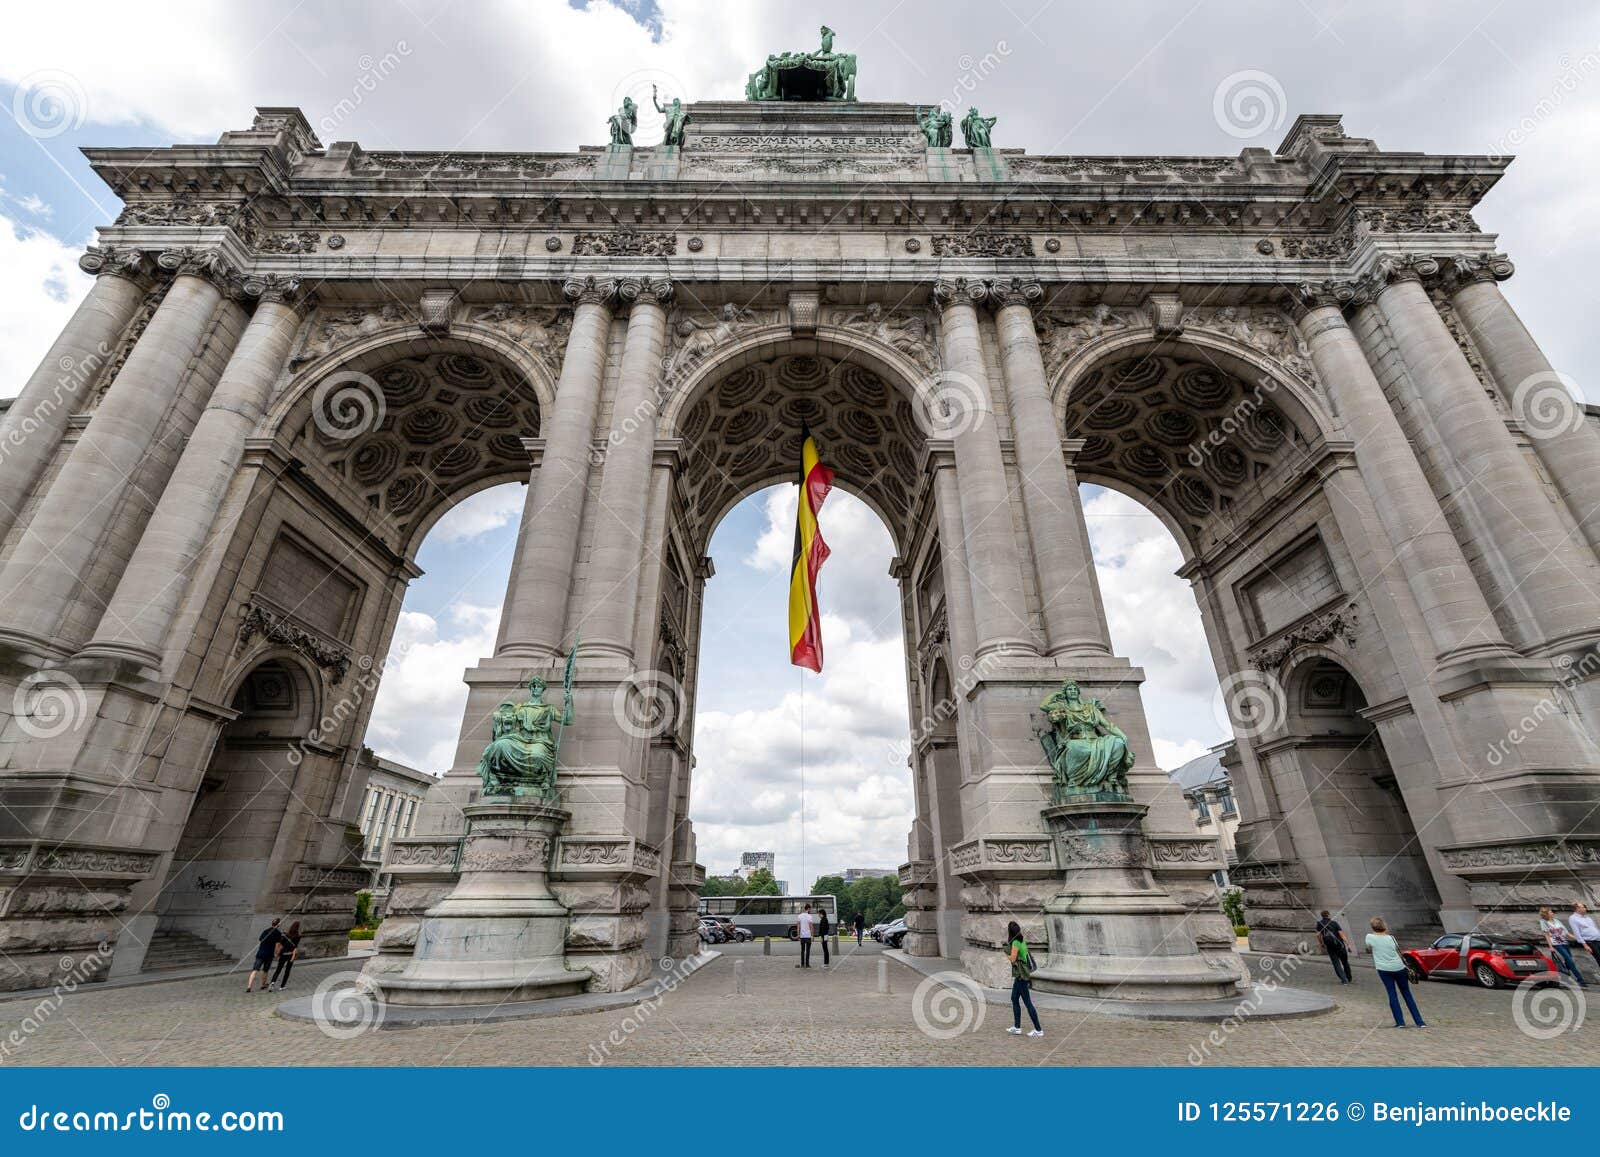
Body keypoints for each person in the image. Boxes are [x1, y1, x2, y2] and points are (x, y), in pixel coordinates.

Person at [1365, 917, 1425, 1028]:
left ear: (1373, 927)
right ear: (1384, 926)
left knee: (1392, 994)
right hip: (1399, 967)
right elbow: (1396, 950)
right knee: (1407, 994)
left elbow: (1368, 949)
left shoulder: (1369, 937)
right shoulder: (1391, 938)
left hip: (1384, 969)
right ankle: (1420, 1022)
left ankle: (1400, 1022)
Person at [1004, 921, 1043, 1037]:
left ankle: (1038, 1029)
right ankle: (1017, 1027)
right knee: (1014, 999)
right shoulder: (1022, 940)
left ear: (1010, 932)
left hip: (1021, 977)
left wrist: (1006, 951)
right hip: (1020, 976)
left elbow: (1012, 959)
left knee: (1028, 1003)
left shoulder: (1015, 942)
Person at [1540, 906, 1587, 986]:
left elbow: (1566, 933)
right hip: (1556, 944)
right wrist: (1551, 947)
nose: (1552, 913)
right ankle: (1580, 980)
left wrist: (1579, 938)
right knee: (1570, 961)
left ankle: (1564, 978)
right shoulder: (1543, 922)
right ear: (1546, 914)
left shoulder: (1557, 921)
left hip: (1565, 943)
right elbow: (1547, 935)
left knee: (1568, 961)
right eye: (1550, 912)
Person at [246, 917, 284, 993]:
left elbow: (260, 939)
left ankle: (249, 986)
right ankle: (263, 985)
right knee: (265, 970)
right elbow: (277, 945)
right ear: (278, 924)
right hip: (269, 954)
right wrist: (276, 954)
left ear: (272, 924)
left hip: (260, 953)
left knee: (255, 970)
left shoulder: (265, 931)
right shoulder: (278, 933)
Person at [1315, 910, 1353, 984]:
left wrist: (1322, 943)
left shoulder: (1319, 924)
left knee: (1336, 963)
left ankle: (1344, 980)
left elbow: (1318, 935)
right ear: (1328, 915)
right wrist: (1348, 945)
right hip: (1340, 945)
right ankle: (1349, 978)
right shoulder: (1334, 923)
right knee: (1345, 962)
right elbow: (1342, 934)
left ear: (1322, 916)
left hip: (1330, 946)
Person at [268, 920, 301, 992]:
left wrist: (277, 954)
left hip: (283, 954)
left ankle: (272, 983)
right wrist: (293, 957)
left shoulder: (286, 935)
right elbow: (295, 948)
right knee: (287, 971)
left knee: (278, 969)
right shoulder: (298, 936)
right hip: (290, 955)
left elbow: (280, 945)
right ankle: (282, 986)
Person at [1569, 902, 1600, 976]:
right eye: (1583, 907)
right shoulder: (1573, 918)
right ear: (1577, 909)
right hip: (1590, 942)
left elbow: (1595, 929)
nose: (1585, 908)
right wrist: (1585, 945)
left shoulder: (1587, 917)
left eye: (1584, 907)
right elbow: (1577, 933)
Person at [796, 904, 814, 968]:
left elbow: (798, 927)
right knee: (808, 950)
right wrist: (812, 935)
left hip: (802, 936)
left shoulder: (799, 916)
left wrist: (798, 935)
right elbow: (811, 926)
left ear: (804, 908)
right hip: (808, 936)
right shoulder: (810, 916)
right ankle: (807, 964)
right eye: (810, 909)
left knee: (802, 950)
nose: (810, 910)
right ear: (808, 909)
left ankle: (802, 963)